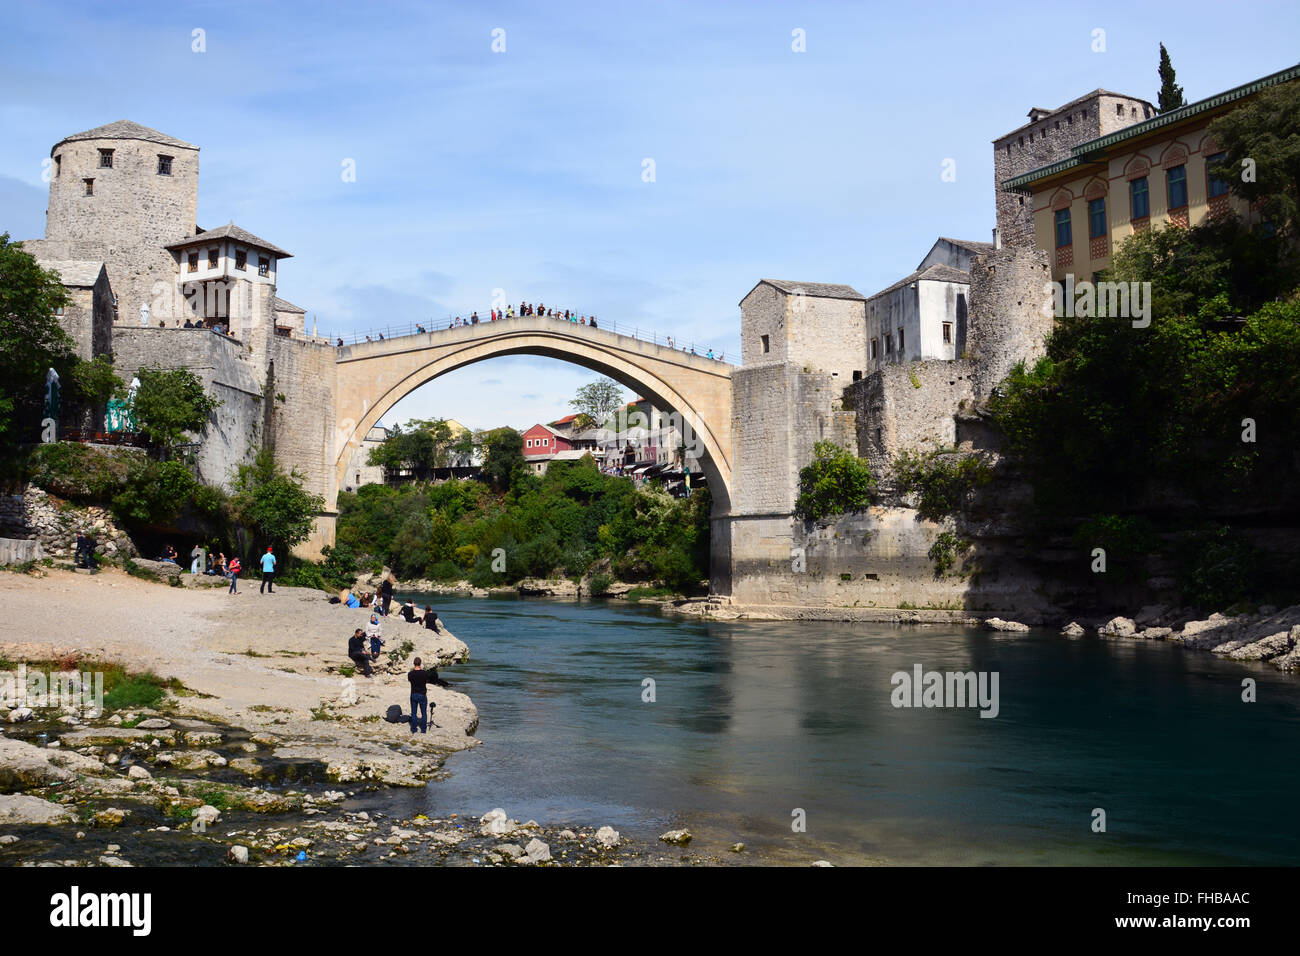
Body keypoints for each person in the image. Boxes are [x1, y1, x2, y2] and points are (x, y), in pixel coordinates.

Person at [407, 657, 438, 733]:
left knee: (414, 713)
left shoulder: (410, 674)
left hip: (414, 693)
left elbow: (410, 680)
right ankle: (423, 730)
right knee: (423, 713)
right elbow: (427, 680)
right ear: (420, 664)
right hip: (422, 694)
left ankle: (414, 729)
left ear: (414, 664)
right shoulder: (425, 673)